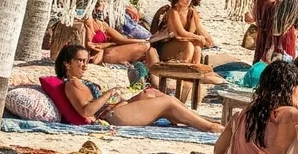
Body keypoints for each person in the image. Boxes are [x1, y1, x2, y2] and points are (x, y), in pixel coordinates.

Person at [49, 43, 220, 132]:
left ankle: (197, 120)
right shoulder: (72, 85)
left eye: (86, 61)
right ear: (67, 64)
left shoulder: (79, 82)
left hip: (117, 109)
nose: (85, 65)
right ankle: (209, 127)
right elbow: (86, 111)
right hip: (112, 116)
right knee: (167, 102)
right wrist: (108, 94)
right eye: (80, 61)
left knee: (151, 93)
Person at [150, 0, 217, 80]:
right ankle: (183, 73)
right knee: (189, 45)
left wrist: (209, 39)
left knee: (198, 47)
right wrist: (198, 37)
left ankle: (194, 75)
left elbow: (200, 27)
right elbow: (181, 32)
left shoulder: (192, 12)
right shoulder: (173, 11)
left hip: (181, 42)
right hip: (167, 44)